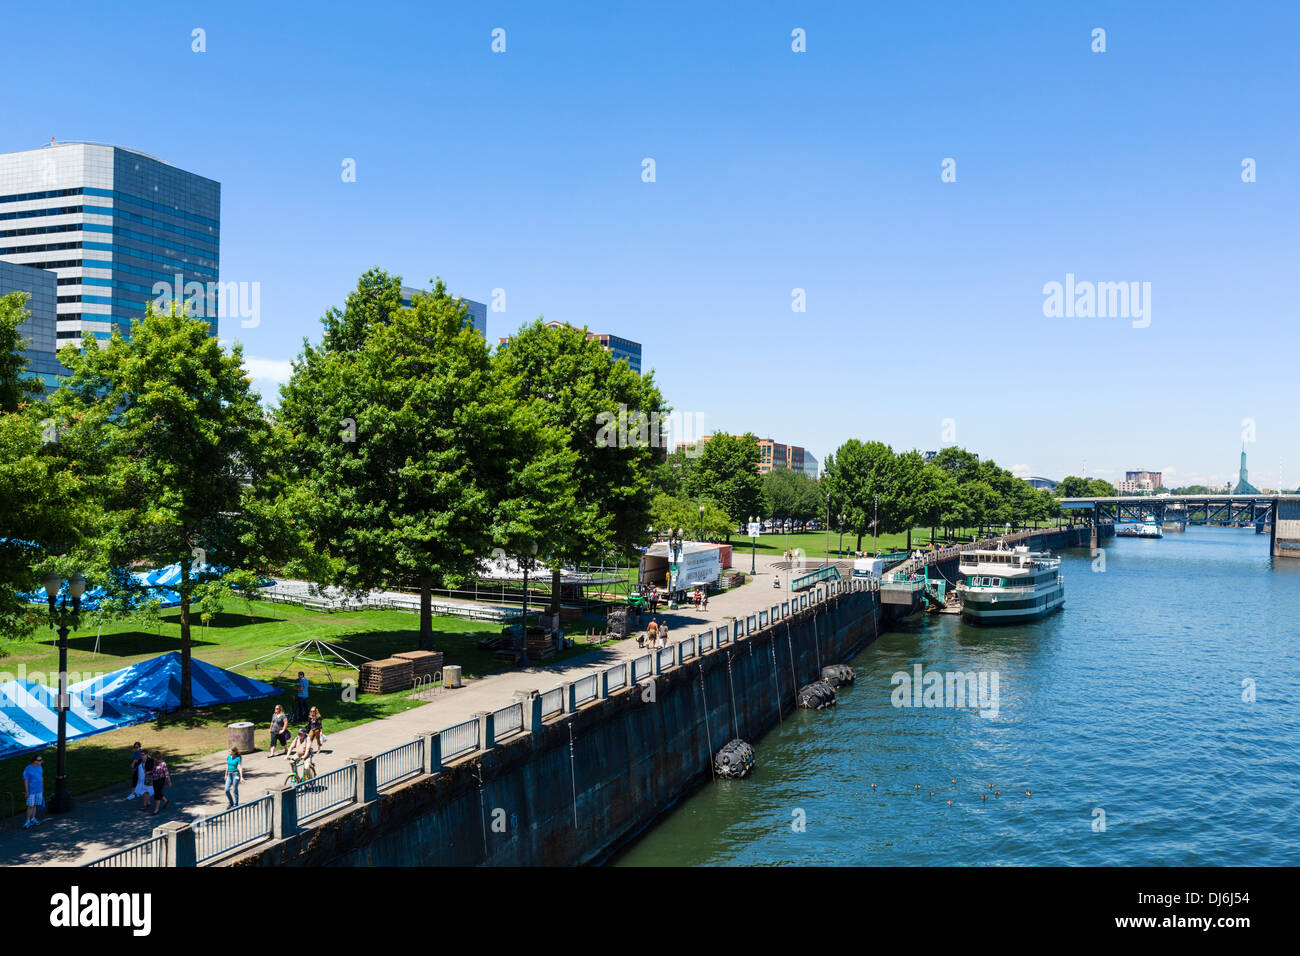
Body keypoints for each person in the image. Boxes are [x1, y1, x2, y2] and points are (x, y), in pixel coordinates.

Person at [22, 754, 43, 829]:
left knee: (35, 805)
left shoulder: (40, 767)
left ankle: (33, 818)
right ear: (35, 761)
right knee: (30, 806)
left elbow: (41, 777)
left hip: (39, 790)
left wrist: (42, 788)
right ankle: (27, 821)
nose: (41, 761)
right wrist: (27, 792)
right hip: (31, 791)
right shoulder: (28, 769)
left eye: (41, 760)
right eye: (39, 760)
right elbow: (26, 781)